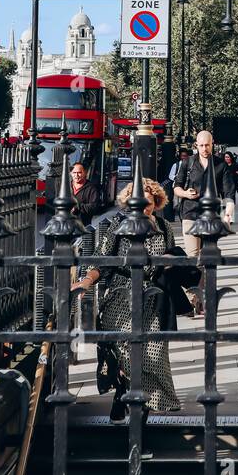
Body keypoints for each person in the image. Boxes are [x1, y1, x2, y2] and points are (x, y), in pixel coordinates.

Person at [73, 178, 184, 420]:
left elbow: (173, 264)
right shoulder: (118, 223)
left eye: (149, 202)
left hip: (154, 299)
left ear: (156, 202)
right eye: (139, 202)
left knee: (151, 358)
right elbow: (102, 259)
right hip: (121, 295)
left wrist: (170, 262)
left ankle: (136, 414)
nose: (144, 207)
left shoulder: (164, 227)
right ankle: (125, 395)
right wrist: (88, 280)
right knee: (125, 355)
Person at [173, 129, 217, 314]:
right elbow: (176, 187)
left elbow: (228, 191)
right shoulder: (187, 163)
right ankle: (194, 299)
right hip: (190, 214)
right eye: (201, 145)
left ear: (212, 144)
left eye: (207, 145)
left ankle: (202, 300)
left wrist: (229, 209)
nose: (204, 148)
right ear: (196, 146)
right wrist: (185, 193)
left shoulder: (220, 164)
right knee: (193, 257)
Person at [219, 150, 238, 227]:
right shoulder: (222, 166)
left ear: (231, 158)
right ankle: (226, 216)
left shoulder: (235, 165)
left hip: (232, 186)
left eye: (228, 157)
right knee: (225, 202)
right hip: (223, 186)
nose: (227, 158)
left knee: (231, 201)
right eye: (225, 157)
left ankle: (230, 218)